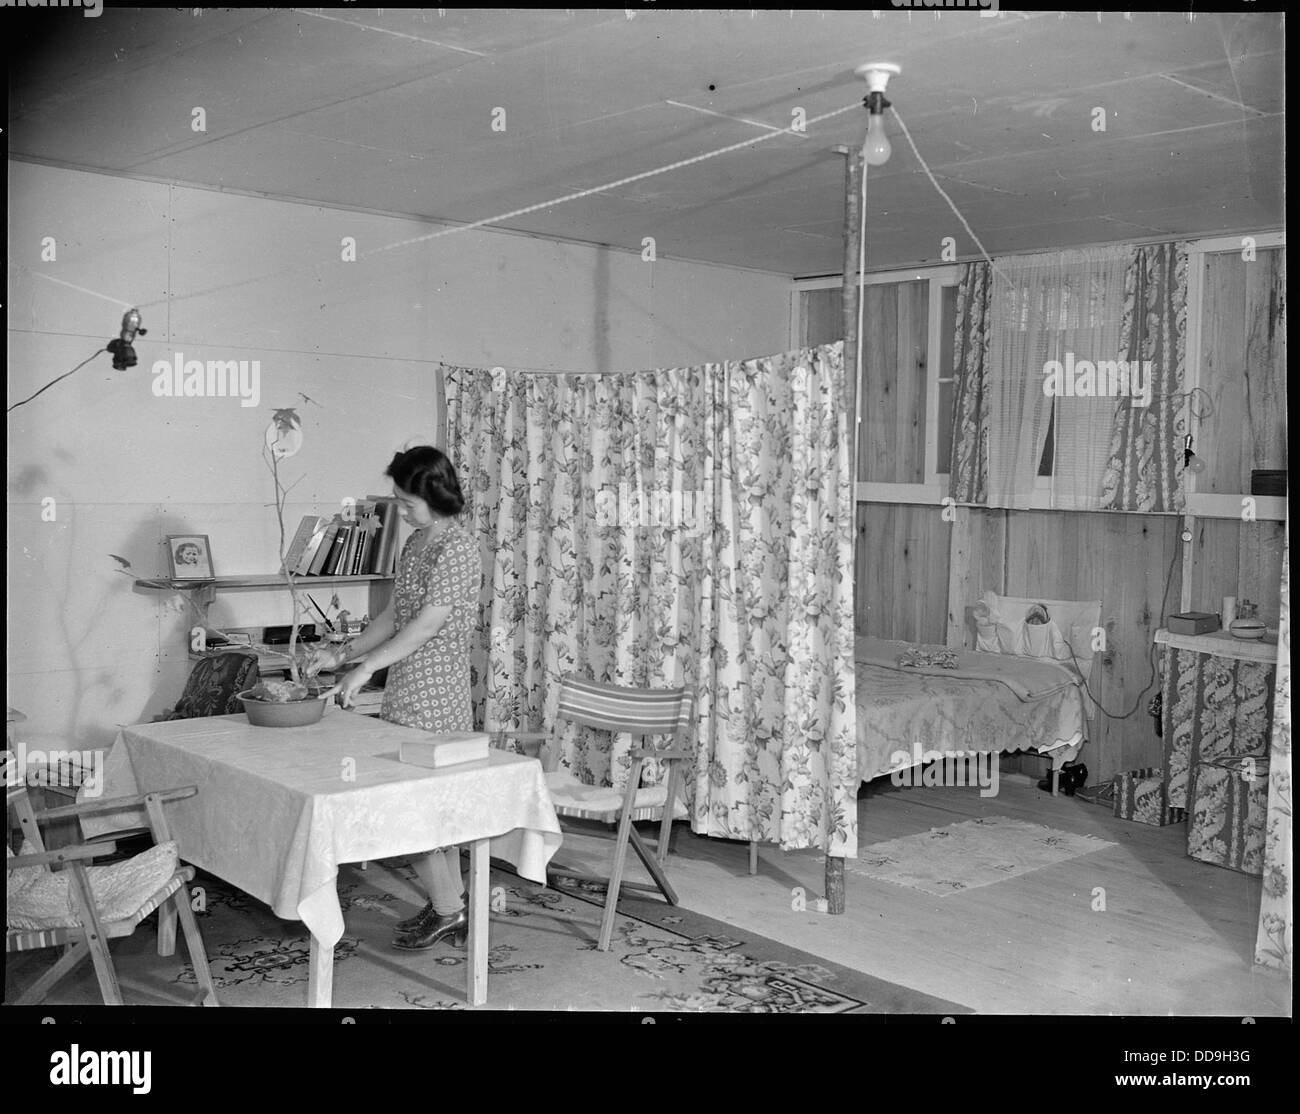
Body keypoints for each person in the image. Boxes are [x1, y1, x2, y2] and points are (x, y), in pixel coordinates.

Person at [308, 446, 480, 951]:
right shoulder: (418, 542)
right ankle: (451, 904)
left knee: (420, 806)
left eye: (408, 503)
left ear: (435, 495)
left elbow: (425, 627)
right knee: (423, 805)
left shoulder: (458, 549)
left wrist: (367, 667)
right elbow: (392, 617)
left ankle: (449, 908)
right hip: (405, 686)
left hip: (435, 694)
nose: (401, 512)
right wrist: (342, 655)